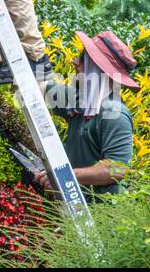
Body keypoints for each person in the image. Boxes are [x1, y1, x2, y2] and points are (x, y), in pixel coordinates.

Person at [35, 30, 137, 199]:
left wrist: (65, 176)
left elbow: (117, 168)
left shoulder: (113, 112)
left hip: (100, 216)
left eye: (82, 58)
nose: (75, 62)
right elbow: (40, 87)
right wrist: (4, 59)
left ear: (96, 69)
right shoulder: (81, 100)